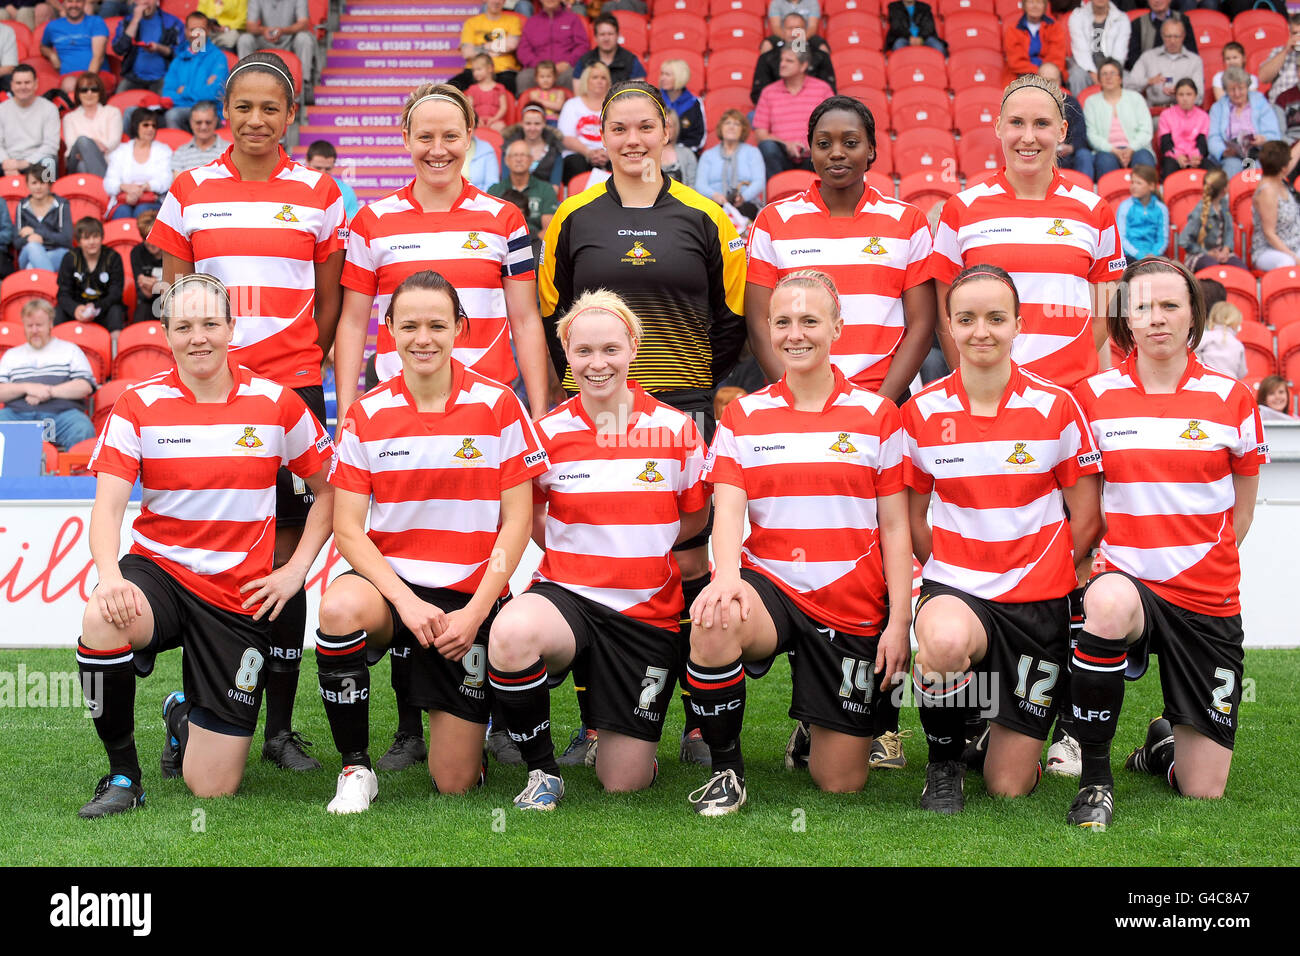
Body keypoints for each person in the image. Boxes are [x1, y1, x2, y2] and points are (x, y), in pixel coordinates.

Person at [335, 83, 552, 768]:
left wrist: (538, 407)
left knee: (474, 553)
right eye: (423, 136)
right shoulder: (372, 221)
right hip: (404, 408)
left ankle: (484, 709)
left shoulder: (503, 217)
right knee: (407, 546)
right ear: (405, 139)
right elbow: (350, 322)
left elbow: (524, 320)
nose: (437, 148)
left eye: (450, 135)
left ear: (473, 137)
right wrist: (347, 403)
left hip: (488, 415)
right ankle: (407, 725)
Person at [539, 78, 745, 769]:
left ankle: (693, 713)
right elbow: (550, 319)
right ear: (600, 136)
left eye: (644, 128)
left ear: (667, 133)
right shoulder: (572, 219)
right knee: (592, 564)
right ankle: (596, 720)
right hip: (589, 417)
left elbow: (733, 320)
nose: (632, 141)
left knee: (685, 559)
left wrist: (682, 382)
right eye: (617, 129)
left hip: (679, 411)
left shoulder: (705, 215)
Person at [74, 274, 335, 819]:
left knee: (212, 788)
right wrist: (110, 575)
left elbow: (332, 491)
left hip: (239, 595)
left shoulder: (278, 404)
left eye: (210, 324)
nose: (199, 338)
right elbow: (108, 508)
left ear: (231, 328)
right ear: (165, 333)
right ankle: (123, 774)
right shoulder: (136, 404)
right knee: (101, 620)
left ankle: (181, 716)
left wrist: (296, 572)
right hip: (160, 572)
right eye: (184, 326)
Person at [152, 52, 347, 773]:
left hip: (292, 394)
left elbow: (328, 300)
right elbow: (181, 302)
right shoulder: (188, 189)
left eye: (272, 108)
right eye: (244, 108)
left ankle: (279, 728)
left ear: (291, 116)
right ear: (223, 114)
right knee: (205, 549)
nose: (257, 120)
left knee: (287, 554)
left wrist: (298, 368)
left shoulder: (320, 191)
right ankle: (200, 714)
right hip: (207, 394)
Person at [932, 74, 1125, 774]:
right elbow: (950, 313)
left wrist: (1086, 401)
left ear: (1063, 133)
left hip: (1066, 412)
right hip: (986, 411)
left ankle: (1073, 722)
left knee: (1074, 562)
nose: (1028, 136)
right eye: (1016, 122)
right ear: (998, 128)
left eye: (1043, 124)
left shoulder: (1094, 208)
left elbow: (1105, 319)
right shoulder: (964, 207)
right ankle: (983, 716)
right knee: (983, 558)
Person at [745, 100, 936, 773]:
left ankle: (879, 722)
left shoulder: (908, 222)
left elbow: (920, 325)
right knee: (803, 546)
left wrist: (869, 408)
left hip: (880, 416)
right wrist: (802, 404)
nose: (836, 153)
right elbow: (759, 318)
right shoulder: (776, 221)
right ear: (808, 149)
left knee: (880, 549)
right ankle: (812, 714)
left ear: (873, 149)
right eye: (824, 142)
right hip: (795, 418)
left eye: (850, 142)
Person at [315, 269, 545, 813]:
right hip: (394, 592)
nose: (424, 338)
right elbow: (347, 527)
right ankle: (355, 768)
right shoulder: (366, 414)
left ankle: (479, 729)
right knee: (339, 607)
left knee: (455, 783)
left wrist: (474, 614)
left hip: (469, 597)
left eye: (438, 325)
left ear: (460, 329)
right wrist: (406, 601)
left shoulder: (498, 406)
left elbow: (517, 523)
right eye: (410, 325)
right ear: (387, 328)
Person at [684, 270, 912, 815]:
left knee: (841, 784)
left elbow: (896, 527)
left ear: (838, 325)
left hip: (851, 600)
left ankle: (814, 726)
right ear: (768, 327)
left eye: (810, 320)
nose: (796, 333)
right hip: (774, 588)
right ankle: (726, 772)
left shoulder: (879, 415)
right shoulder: (743, 414)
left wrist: (899, 617)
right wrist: (725, 578)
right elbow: (728, 511)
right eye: (783, 321)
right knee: (713, 619)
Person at [489, 289, 708, 810]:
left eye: (610, 349)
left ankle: (625, 742)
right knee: (512, 632)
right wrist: (575, 547)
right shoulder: (547, 432)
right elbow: (531, 513)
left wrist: (641, 543)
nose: (597, 363)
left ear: (633, 346)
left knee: (622, 782)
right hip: (570, 597)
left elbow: (695, 512)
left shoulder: (676, 429)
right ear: (566, 354)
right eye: (583, 351)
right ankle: (542, 772)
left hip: (646, 613)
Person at [1067, 256, 1266, 829]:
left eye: (1169, 306)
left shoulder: (1233, 398)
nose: (1156, 318)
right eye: (1142, 306)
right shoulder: (1092, 397)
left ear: (1192, 316)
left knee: (1203, 790)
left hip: (1206, 599)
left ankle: (1161, 749)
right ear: (1125, 317)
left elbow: (1242, 510)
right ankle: (1095, 781)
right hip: (1125, 585)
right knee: (1105, 602)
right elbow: (1082, 506)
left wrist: (1201, 561)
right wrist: (1093, 572)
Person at [903, 264, 1102, 815]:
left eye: (996, 318)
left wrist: (1041, 572)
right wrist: (949, 572)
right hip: (959, 588)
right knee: (941, 641)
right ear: (949, 327)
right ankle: (942, 767)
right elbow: (915, 517)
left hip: (1037, 604)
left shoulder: (1058, 406)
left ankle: (995, 734)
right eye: (966, 319)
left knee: (1009, 786)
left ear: (1019, 324)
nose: (981, 331)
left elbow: (1086, 518)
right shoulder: (920, 412)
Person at [0, 298, 95, 449]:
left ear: (51, 324)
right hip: (17, 417)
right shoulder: (12, 355)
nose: (34, 330)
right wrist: (27, 387)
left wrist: (49, 391)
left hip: (62, 417)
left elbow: (85, 386)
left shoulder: (70, 350)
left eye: (39, 325)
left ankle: (78, 473)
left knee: (82, 428)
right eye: (30, 326)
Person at [752, 48, 834, 180]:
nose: (782, 64)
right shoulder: (768, 92)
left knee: (826, 149)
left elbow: (834, 125)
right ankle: (777, 194)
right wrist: (787, 145)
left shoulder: (822, 89)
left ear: (803, 66)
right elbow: (761, 134)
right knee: (767, 146)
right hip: (781, 156)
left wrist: (812, 146)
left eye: (789, 61)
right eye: (782, 60)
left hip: (813, 154)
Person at [1085, 58, 1157, 178]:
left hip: (1137, 148)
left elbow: (1146, 130)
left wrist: (1131, 149)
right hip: (1107, 150)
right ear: (1099, 79)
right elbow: (1091, 134)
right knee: (1105, 162)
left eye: (1113, 73)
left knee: (1144, 160)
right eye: (1104, 74)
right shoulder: (1091, 102)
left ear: (1120, 78)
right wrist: (1113, 150)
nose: (1108, 77)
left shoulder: (1136, 98)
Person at [161, 11, 230, 131]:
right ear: (186, 31)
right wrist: (200, 92)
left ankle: (181, 150)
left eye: (201, 29)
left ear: (208, 31)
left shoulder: (218, 57)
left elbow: (215, 93)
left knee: (173, 115)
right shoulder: (178, 59)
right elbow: (167, 93)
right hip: (182, 109)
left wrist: (184, 91)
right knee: (137, 114)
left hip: (209, 114)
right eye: (193, 29)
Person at [56, 217, 125, 335]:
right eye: (86, 238)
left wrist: (96, 307)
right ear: (79, 241)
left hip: (103, 308)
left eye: (95, 237)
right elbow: (63, 293)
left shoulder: (113, 257)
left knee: (116, 311)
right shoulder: (70, 258)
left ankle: (114, 350)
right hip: (78, 308)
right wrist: (75, 309)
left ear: (102, 237)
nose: (92, 242)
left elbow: (116, 293)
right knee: (58, 311)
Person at [1208, 68, 1281, 179]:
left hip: (1257, 152)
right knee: (1232, 167)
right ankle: (1231, 196)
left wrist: (1263, 139)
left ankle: (1256, 195)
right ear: (1226, 90)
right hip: (1232, 155)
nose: (1237, 93)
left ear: (1247, 87)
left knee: (1255, 168)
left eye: (1241, 88)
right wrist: (1223, 151)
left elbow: (1273, 133)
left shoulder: (1260, 102)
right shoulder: (1218, 107)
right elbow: (1213, 137)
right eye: (1232, 89)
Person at [750, 12, 834, 106]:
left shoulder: (821, 57)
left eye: (798, 28)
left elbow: (830, 95)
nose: (794, 33)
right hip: (776, 108)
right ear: (782, 31)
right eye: (790, 28)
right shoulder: (767, 58)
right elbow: (758, 95)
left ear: (806, 31)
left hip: (814, 108)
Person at [103, 108, 173, 220]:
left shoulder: (163, 150)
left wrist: (143, 188)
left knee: (142, 210)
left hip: (153, 200)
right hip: (124, 198)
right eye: (146, 125)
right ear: (136, 126)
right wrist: (124, 187)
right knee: (122, 210)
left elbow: (166, 181)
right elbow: (109, 183)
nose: (150, 129)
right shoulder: (121, 151)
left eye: (153, 126)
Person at [236, 0, 315, 99]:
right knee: (245, 39)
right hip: (264, 39)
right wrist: (263, 30)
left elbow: (304, 24)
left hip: (290, 39)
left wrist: (283, 31)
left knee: (304, 39)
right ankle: (244, 83)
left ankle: (305, 83)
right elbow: (250, 25)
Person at [697, 109, 765, 221]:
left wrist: (743, 197)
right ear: (721, 128)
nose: (731, 127)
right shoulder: (708, 155)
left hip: (745, 204)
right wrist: (715, 196)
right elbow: (700, 185)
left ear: (742, 130)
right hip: (714, 204)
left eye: (736, 124)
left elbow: (759, 181)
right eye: (727, 123)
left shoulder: (753, 152)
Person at [1125, 17, 1202, 110]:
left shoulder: (1194, 60)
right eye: (1168, 36)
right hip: (1154, 112)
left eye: (1176, 36)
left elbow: (1200, 96)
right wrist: (1148, 81)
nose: (1172, 41)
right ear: (1162, 36)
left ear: (1183, 36)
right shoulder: (1148, 57)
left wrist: (1179, 93)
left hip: (1183, 112)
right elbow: (1128, 85)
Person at [489, 138, 558, 241]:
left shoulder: (545, 189)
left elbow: (548, 230)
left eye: (523, 155)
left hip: (535, 245)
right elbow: (490, 228)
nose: (519, 159)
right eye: (515, 155)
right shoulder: (495, 191)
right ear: (506, 160)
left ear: (531, 160)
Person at [0, 63, 60, 180]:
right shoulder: (2, 109)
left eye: (27, 83)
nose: (23, 87)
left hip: (36, 160)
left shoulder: (49, 108)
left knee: (50, 161)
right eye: (18, 83)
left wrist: (24, 163)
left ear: (36, 84)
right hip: (8, 160)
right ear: (11, 85)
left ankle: (47, 198)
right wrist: (6, 162)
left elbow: (51, 146)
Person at [516, 0, 589, 95]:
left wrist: (568, 62)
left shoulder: (573, 19)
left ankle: (572, 109)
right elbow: (523, 50)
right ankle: (529, 109)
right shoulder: (531, 22)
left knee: (574, 75)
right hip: (537, 70)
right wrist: (539, 66)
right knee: (524, 77)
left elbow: (582, 45)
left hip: (565, 70)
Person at [449, 0, 523, 94]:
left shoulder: (513, 20)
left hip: (504, 71)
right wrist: (495, 48)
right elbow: (467, 53)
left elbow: (512, 45)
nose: (496, 1)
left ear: (504, 1)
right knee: (450, 89)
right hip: (474, 69)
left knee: (508, 89)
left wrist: (481, 48)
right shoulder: (471, 23)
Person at [112, 0, 183, 93]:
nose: (145, 2)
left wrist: (160, 48)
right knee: (119, 103)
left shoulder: (173, 23)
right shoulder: (127, 22)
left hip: (163, 78)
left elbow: (183, 54)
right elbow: (119, 49)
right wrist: (135, 20)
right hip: (133, 78)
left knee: (163, 105)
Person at [1180, 169, 1244, 271]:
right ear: (1224, 190)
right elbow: (1184, 240)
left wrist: (1226, 249)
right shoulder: (1199, 212)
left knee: (1240, 270)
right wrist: (1207, 253)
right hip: (1199, 255)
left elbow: (1228, 230)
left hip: (1221, 253)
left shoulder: (1224, 204)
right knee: (1214, 269)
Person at [40, 0, 107, 98]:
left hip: (96, 75)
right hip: (68, 77)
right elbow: (43, 46)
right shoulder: (52, 26)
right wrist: (52, 54)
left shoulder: (96, 21)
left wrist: (86, 82)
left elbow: (98, 57)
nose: (74, 5)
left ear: (84, 3)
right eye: (70, 1)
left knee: (71, 85)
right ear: (63, 4)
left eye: (78, 1)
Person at [557, 61, 610, 182]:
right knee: (577, 163)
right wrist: (589, 152)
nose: (599, 81)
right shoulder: (572, 105)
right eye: (595, 77)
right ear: (586, 81)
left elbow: (621, 135)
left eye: (603, 78)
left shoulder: (615, 106)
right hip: (578, 154)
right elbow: (566, 138)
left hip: (608, 155)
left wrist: (608, 154)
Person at [62, 71, 122, 178]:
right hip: (75, 159)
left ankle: (97, 190)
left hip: (107, 161)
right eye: (84, 90)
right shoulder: (69, 118)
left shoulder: (113, 112)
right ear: (78, 94)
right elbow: (72, 145)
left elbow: (114, 141)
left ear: (100, 92)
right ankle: (105, 187)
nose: (89, 93)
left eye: (94, 89)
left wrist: (89, 149)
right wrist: (91, 145)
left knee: (83, 166)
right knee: (82, 141)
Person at [1040, 61, 1093, 182]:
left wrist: (1071, 148)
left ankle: (1084, 195)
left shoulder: (1071, 103)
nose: (1049, 85)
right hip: (1039, 153)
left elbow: (1081, 134)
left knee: (1084, 155)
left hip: (1067, 154)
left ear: (1059, 82)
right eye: (1044, 80)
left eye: (1052, 81)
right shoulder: (1027, 104)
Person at [1252, 140, 1300, 270]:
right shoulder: (1267, 192)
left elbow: (1294, 156)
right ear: (1283, 169)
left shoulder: (1279, 177)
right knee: (1287, 262)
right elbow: (1269, 233)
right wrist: (1294, 257)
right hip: (1270, 251)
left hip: (1295, 244)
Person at [15, 163, 73, 272]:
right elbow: (16, 242)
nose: (38, 187)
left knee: (31, 267)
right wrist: (29, 239)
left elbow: (66, 239)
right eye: (34, 183)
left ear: (50, 184)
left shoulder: (61, 205)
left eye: (42, 182)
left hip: (57, 253)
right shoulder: (22, 206)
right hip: (28, 253)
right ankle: (51, 286)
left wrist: (36, 233)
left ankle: (44, 285)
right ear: (27, 185)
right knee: (33, 247)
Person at [1066, 0, 1129, 97]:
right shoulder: (1077, 16)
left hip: (1111, 66)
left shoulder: (1122, 18)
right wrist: (1094, 75)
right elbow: (1080, 50)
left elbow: (1119, 53)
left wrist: (1108, 73)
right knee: (1077, 76)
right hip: (1085, 68)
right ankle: (1078, 110)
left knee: (1128, 78)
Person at [1157, 78, 1211, 178]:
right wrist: (1178, 156)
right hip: (1174, 156)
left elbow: (1203, 143)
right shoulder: (1166, 115)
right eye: (1181, 95)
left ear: (1195, 96)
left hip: (1196, 157)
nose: (1185, 98)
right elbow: (1165, 143)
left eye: (1189, 94)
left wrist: (1195, 156)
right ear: (1176, 96)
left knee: (1212, 171)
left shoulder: (1203, 116)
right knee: (1169, 169)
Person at [1004, 0, 1068, 85]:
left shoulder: (1055, 27)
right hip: (1023, 74)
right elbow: (1015, 61)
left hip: (1050, 73)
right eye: (1031, 2)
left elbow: (1056, 56)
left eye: (1039, 2)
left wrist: (1046, 72)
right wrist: (1039, 72)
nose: (1035, 6)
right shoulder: (1013, 30)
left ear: (1045, 6)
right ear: (1024, 5)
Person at [1123, 0, 1196, 73]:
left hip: (1179, 74)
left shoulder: (1183, 20)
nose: (1157, 1)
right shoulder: (1137, 24)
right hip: (1148, 77)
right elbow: (1133, 59)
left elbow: (1192, 53)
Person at [501, 102, 564, 185]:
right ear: (522, 123)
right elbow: (505, 182)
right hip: (512, 196)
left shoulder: (555, 148)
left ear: (544, 124)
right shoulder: (509, 147)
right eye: (528, 123)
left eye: (537, 123)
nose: (532, 128)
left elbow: (555, 186)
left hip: (544, 196)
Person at [574, 12, 645, 85]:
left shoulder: (631, 61)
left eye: (610, 34)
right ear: (595, 37)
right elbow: (580, 94)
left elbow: (638, 93)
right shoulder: (584, 61)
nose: (606, 38)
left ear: (618, 36)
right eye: (602, 34)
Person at [1116, 165, 1169, 261]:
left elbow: (1163, 239)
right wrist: (1139, 255)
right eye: (1132, 182)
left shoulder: (1161, 208)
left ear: (1152, 186)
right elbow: (1121, 238)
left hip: (1154, 255)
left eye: (1139, 183)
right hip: (1131, 255)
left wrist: (1154, 254)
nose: (1133, 186)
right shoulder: (1125, 206)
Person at [304, 139, 359, 223]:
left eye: (327, 169)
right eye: (318, 168)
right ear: (307, 161)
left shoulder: (345, 191)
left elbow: (350, 223)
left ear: (334, 165)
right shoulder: (296, 186)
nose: (322, 173)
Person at [658, 59, 703, 156]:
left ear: (680, 77)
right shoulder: (654, 100)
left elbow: (699, 137)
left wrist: (678, 151)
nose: (662, 78)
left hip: (685, 155)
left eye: (667, 75)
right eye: (662, 74)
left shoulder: (694, 103)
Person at [1194, 300, 1246, 380]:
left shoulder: (1207, 336)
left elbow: (1190, 349)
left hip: (1208, 382)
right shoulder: (1238, 344)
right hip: (1230, 385)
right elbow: (1242, 372)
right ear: (1235, 324)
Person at [169, 100, 224, 174]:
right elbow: (178, 183)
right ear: (191, 123)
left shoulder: (230, 150)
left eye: (208, 122)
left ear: (216, 121)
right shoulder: (180, 152)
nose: (203, 127)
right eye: (198, 122)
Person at [1259, 12, 1300, 107]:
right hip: (1280, 105)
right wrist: (1286, 51)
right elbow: (1263, 77)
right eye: (1295, 33)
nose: (1298, 37)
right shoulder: (1279, 51)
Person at [130, 208, 163, 325]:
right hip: (149, 302)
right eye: (145, 238)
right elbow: (142, 294)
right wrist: (147, 290)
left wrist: (158, 287)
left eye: (153, 237)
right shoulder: (137, 253)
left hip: (174, 301)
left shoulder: (173, 251)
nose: (150, 243)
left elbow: (182, 288)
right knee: (142, 311)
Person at [517, 59, 568, 125]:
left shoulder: (559, 93)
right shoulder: (533, 93)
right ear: (536, 78)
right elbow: (534, 108)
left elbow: (558, 106)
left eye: (549, 76)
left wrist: (538, 100)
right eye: (542, 77)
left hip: (553, 121)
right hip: (537, 121)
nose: (545, 80)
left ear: (555, 77)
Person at [468, 53, 509, 132]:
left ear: (490, 68)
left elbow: (503, 108)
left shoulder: (499, 88)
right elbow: (469, 108)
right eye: (473, 70)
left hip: (495, 121)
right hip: (478, 121)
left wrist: (494, 119)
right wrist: (477, 120)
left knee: (501, 126)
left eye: (479, 69)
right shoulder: (472, 89)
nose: (475, 73)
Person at [660, 110, 696, 188]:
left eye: (669, 126)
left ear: (676, 128)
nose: (666, 130)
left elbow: (692, 186)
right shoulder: (649, 154)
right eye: (663, 126)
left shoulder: (687, 154)